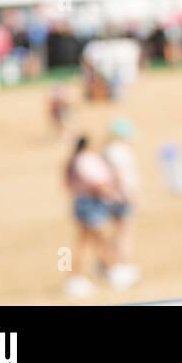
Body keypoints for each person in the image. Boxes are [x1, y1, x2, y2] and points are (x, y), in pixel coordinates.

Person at [63, 135, 120, 298]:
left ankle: (102, 271)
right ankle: (77, 277)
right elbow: (97, 182)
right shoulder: (84, 160)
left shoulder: (74, 162)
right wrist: (110, 192)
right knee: (90, 240)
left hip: (85, 202)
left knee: (90, 240)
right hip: (90, 203)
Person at [101, 118, 141, 289]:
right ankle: (121, 266)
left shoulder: (107, 150)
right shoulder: (119, 151)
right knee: (124, 233)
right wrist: (132, 196)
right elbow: (122, 175)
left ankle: (109, 264)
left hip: (111, 198)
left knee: (117, 232)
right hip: (121, 197)